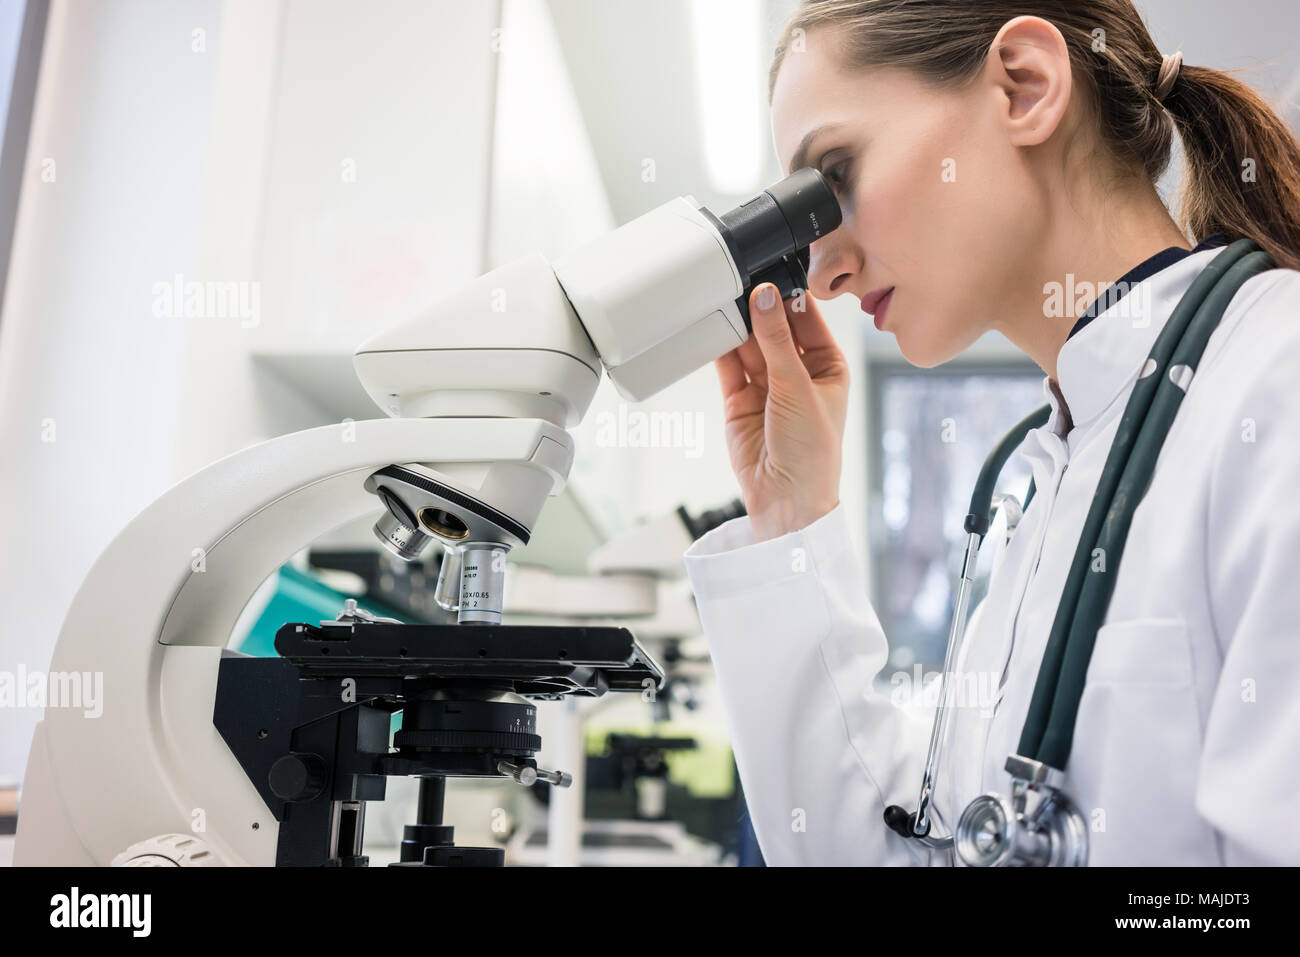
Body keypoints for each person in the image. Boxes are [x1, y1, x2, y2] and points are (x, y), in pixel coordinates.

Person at [682, 0, 1300, 865]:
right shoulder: (1051, 480)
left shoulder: (1276, 383)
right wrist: (789, 516)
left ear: (1024, 86)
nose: (820, 269)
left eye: (836, 173)